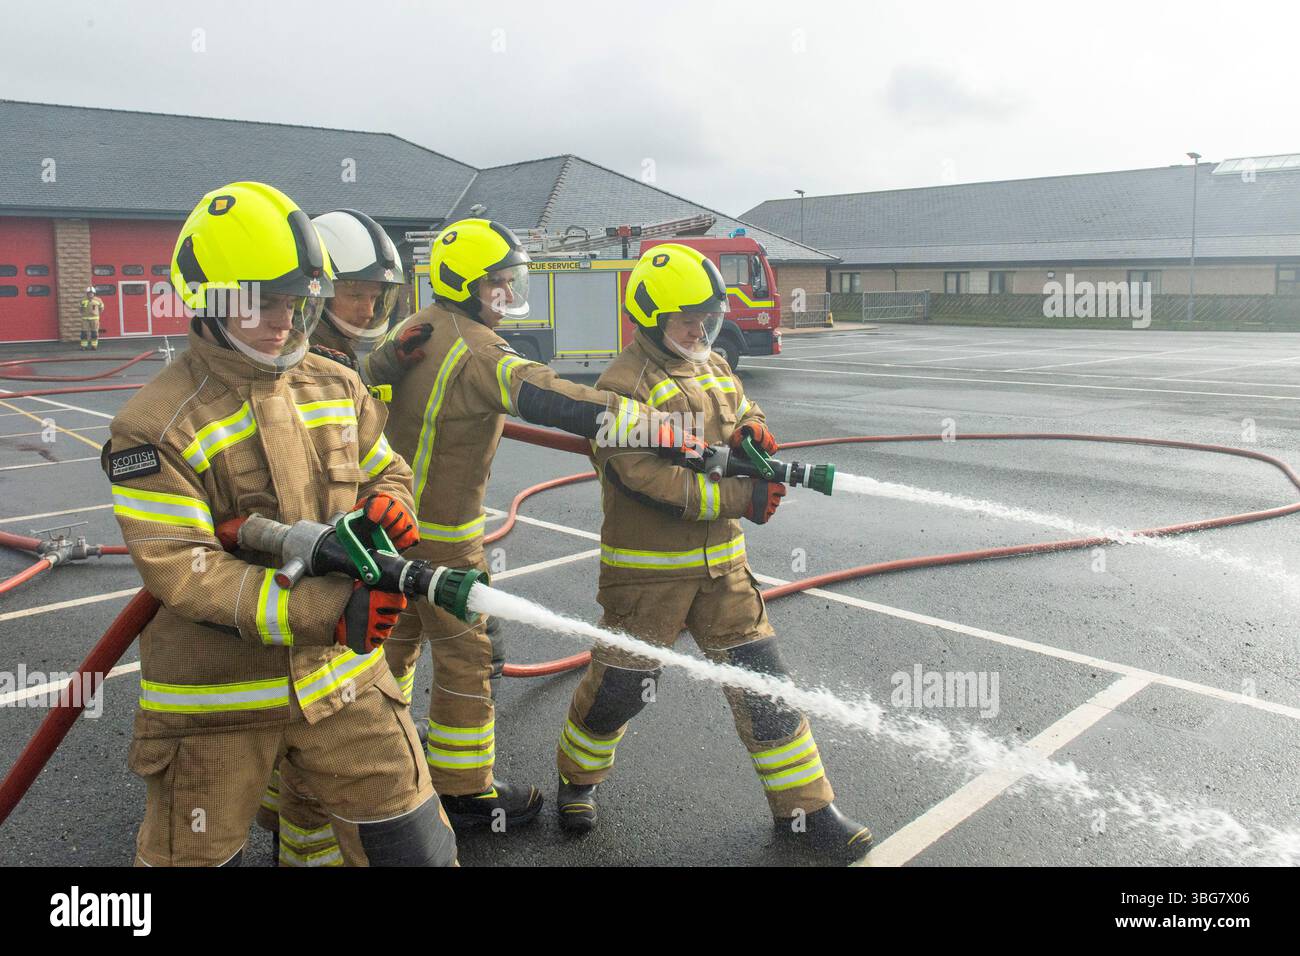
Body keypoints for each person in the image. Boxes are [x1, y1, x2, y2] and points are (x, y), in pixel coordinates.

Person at [102, 181, 456, 867]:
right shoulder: (152, 426)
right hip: (216, 706)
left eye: (295, 304)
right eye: (261, 304)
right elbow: (186, 573)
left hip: (341, 684)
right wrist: (332, 608)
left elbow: (388, 471)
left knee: (416, 851)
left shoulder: (336, 384)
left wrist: (390, 510)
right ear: (207, 299)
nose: (285, 323)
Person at [551, 243, 874, 864]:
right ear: (649, 319)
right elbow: (642, 477)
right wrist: (739, 497)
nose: (699, 329)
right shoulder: (623, 387)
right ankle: (578, 780)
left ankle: (807, 810)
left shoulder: (715, 365)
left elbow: (739, 407)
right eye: (685, 320)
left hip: (723, 573)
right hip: (646, 582)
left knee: (767, 687)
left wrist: (753, 425)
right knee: (620, 690)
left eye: (706, 316)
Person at [374, 218, 659, 833]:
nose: (507, 296)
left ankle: (383, 747)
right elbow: (550, 398)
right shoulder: (477, 349)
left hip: (387, 528)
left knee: (392, 642)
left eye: (511, 283)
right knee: (467, 656)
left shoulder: (415, 329)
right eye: (498, 285)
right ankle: (465, 791)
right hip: (442, 539)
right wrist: (647, 422)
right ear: (466, 286)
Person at [79, 286, 104, 350]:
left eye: (91, 293)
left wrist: (96, 314)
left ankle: (94, 345)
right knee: (84, 333)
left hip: (95, 319)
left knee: (94, 333)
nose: (90, 294)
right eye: (89, 293)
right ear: (87, 293)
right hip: (85, 319)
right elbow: (80, 309)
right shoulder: (83, 300)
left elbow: (101, 308)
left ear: (94, 293)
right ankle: (84, 346)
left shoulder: (98, 300)